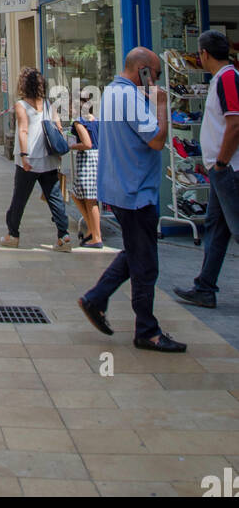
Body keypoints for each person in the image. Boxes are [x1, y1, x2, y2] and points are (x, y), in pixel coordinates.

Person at [79, 48, 186, 352]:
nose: (156, 80)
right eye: (155, 73)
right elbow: (156, 140)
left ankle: (96, 298)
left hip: (122, 188)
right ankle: (147, 331)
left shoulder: (113, 92)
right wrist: (162, 106)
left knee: (137, 253)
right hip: (136, 192)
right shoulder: (129, 97)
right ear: (142, 70)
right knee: (146, 265)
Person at [174, 30, 239, 310]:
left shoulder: (227, 78)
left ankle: (205, 287)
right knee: (216, 228)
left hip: (228, 170)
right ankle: (205, 287)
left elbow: (235, 123)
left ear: (204, 54)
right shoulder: (221, 79)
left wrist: (223, 162)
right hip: (219, 170)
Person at [1, 67, 71, 251]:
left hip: (29, 159)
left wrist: (24, 155)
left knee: (19, 199)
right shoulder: (49, 104)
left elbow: (23, 130)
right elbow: (58, 129)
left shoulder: (21, 105)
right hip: (48, 159)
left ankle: (13, 234)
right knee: (54, 197)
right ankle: (63, 236)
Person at [69, 97, 103, 247]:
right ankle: (91, 229)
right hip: (98, 158)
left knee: (90, 200)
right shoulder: (96, 120)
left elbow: (87, 144)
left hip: (88, 159)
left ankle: (96, 236)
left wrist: (71, 146)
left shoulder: (79, 122)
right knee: (77, 194)